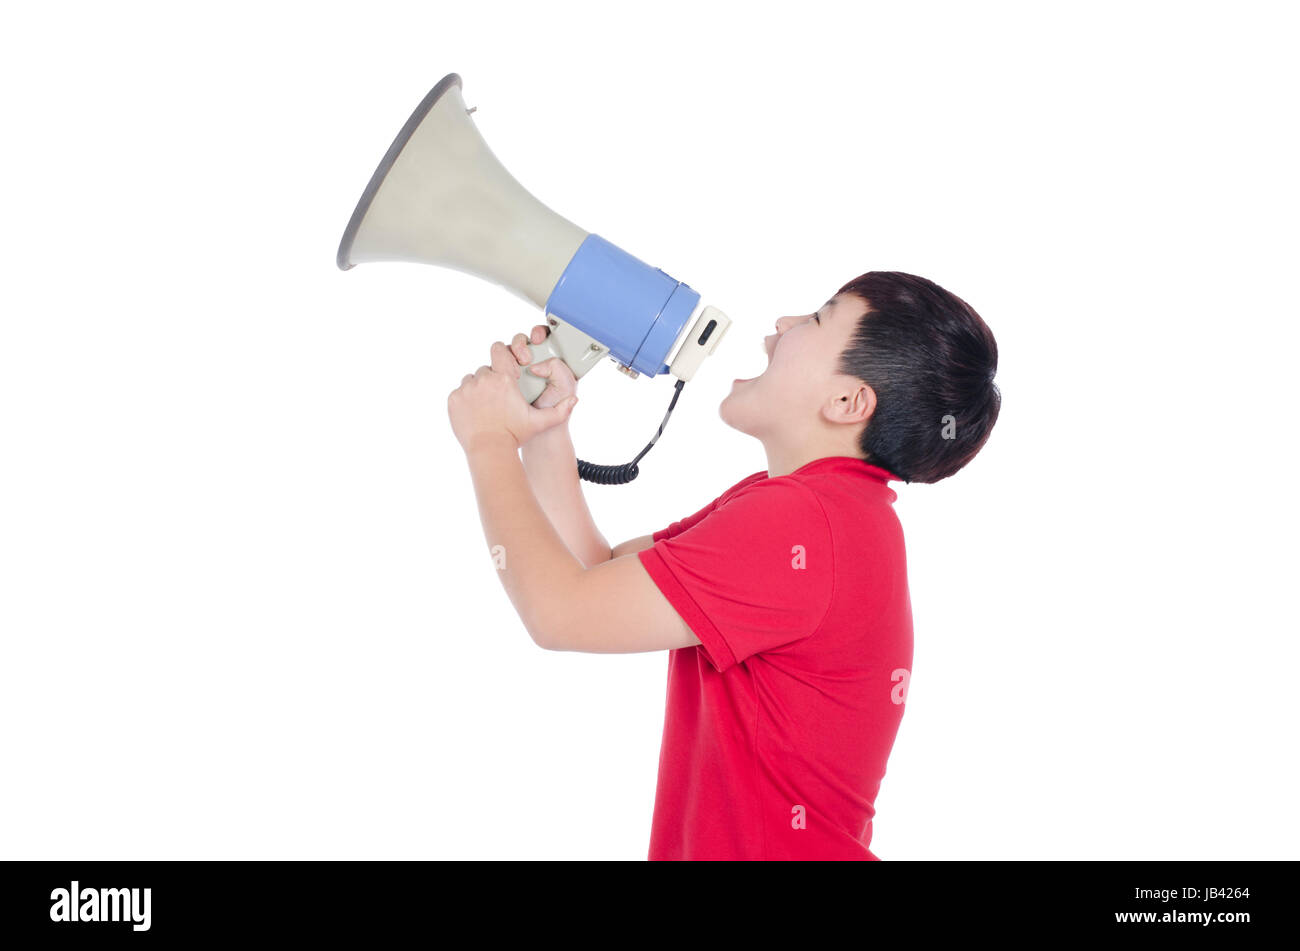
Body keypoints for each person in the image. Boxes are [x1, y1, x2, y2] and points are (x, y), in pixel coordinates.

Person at [446, 270, 1000, 860]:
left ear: (847, 402)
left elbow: (559, 613)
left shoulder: (803, 521)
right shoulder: (817, 509)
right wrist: (545, 429)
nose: (779, 329)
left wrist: (488, 441)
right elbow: (594, 567)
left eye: (815, 319)